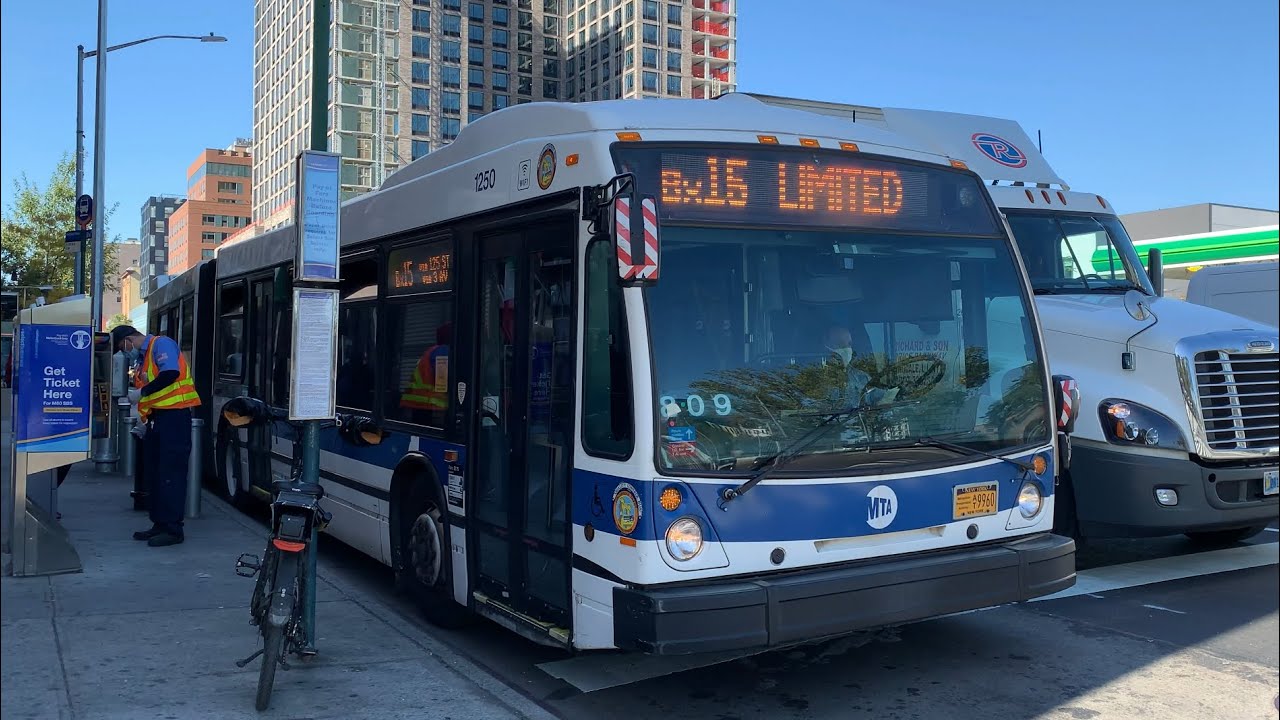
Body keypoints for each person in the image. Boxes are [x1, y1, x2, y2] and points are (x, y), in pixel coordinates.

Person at [111, 324, 201, 547]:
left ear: (129, 339)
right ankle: (159, 523)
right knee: (156, 474)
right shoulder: (143, 358)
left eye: (123, 347)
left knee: (170, 473)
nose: (124, 352)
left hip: (175, 418)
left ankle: (173, 529)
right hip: (158, 419)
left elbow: (171, 373)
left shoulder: (161, 344)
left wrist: (142, 392)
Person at [399, 323, 451, 420]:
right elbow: (442, 381)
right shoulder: (443, 351)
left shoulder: (432, 351)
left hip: (417, 405)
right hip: (428, 408)